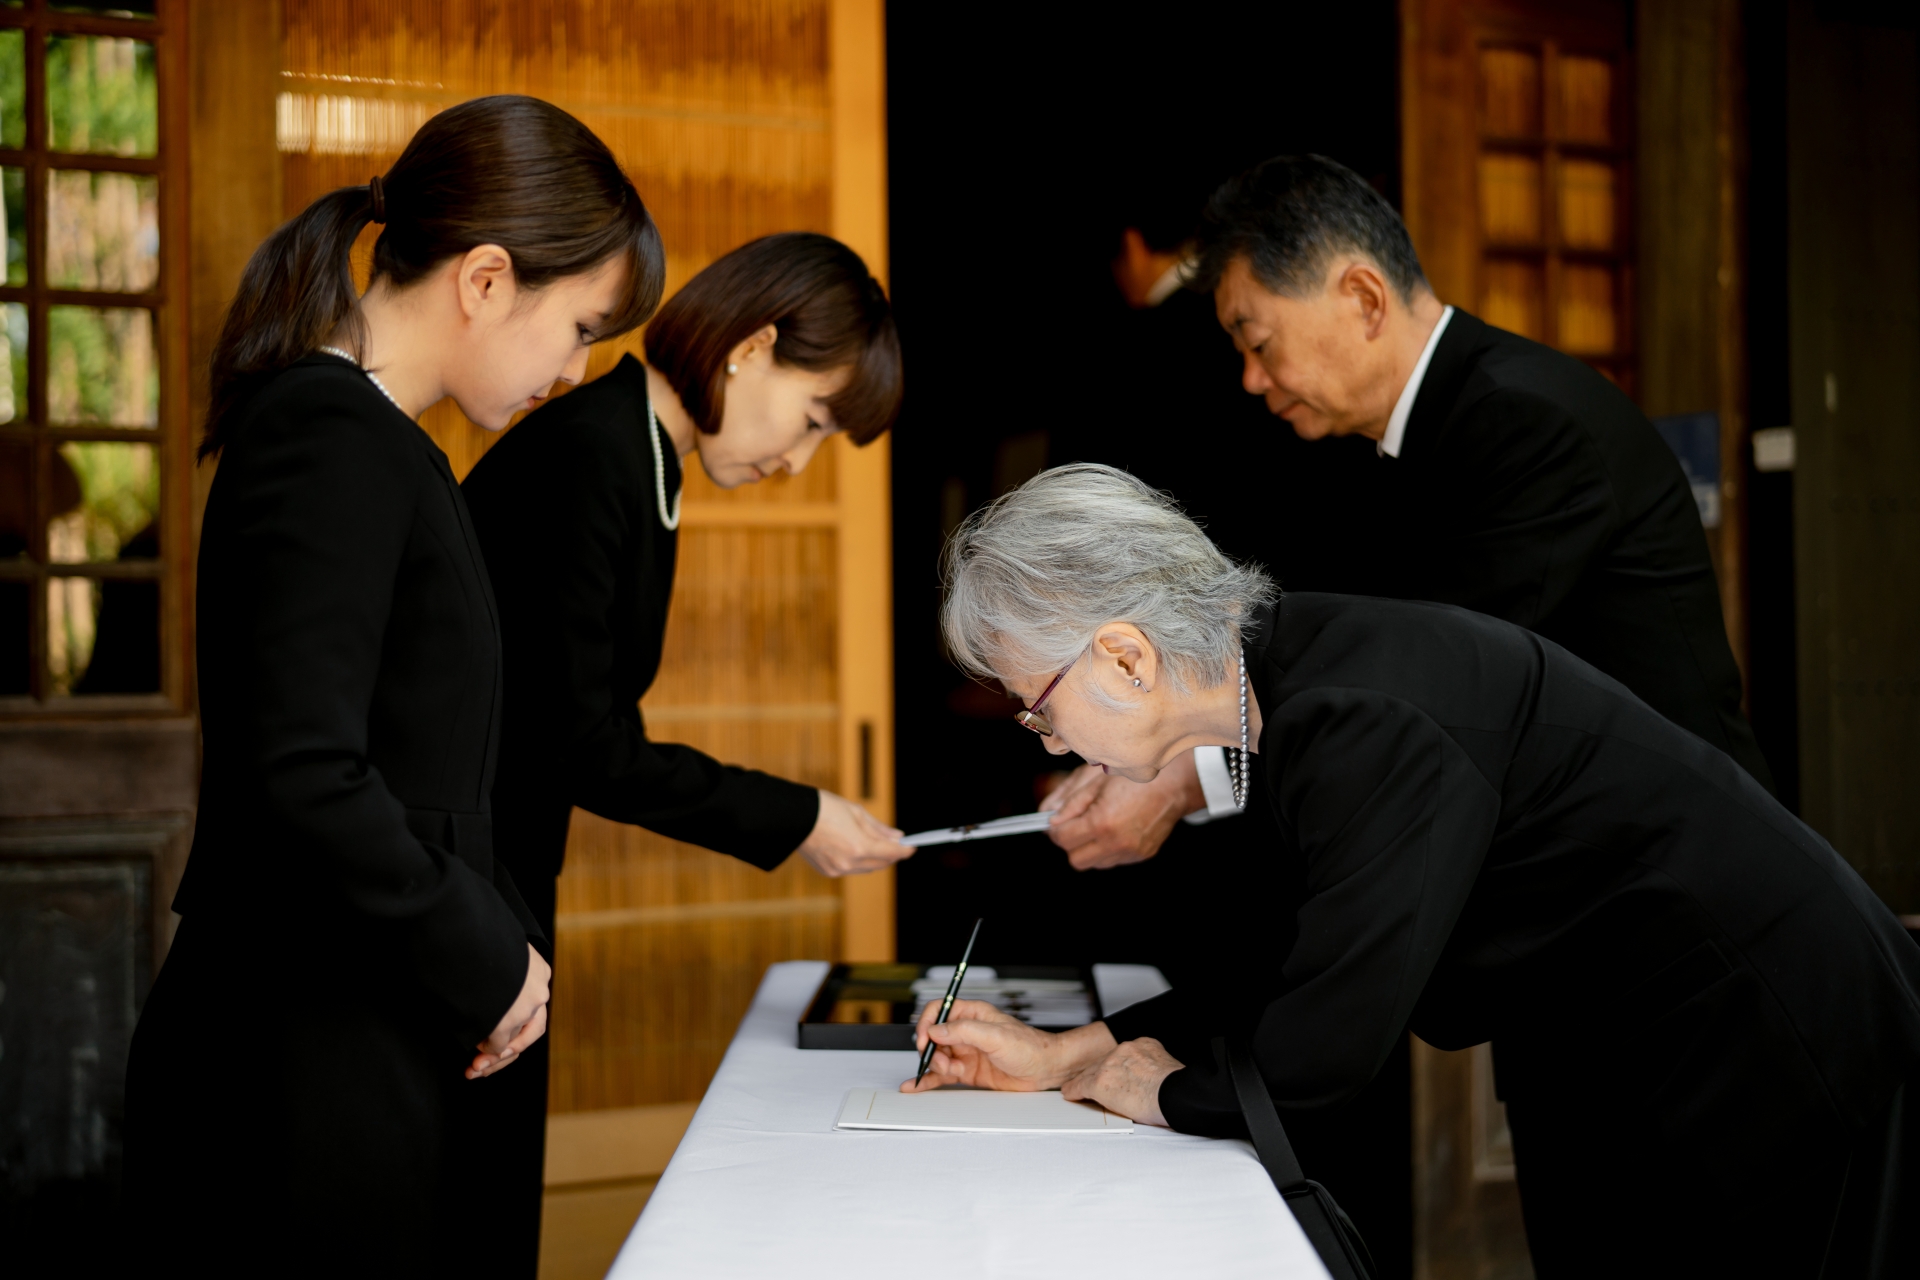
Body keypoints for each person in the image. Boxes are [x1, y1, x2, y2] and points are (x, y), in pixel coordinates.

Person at [918, 463, 1920, 1276]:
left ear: (1127, 658)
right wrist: (1071, 1054)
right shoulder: (1284, 688)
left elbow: (1321, 1049)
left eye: (1038, 707)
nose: (1048, 739)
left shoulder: (1353, 711)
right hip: (1649, 1033)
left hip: (1770, 1025)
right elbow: (1291, 959)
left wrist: (1162, 1091)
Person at [123, 95, 664, 1276]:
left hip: (360, 1026)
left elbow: (429, 770)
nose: (576, 371)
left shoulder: (381, 441)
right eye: (578, 327)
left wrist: (509, 950)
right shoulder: (327, 432)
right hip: (296, 1051)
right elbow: (302, 772)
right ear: (483, 279)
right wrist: (488, 952)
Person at [1043, 155, 1775, 878]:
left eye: (1259, 342)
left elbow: (1424, 681)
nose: (1251, 378)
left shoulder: (1523, 423)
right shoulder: (1395, 438)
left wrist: (1180, 775)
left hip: (1686, 858)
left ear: (1364, 298)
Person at [460, 230, 911, 1267]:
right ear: (751, 347)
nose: (797, 462)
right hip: (464, 878)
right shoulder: (595, 451)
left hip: (506, 866)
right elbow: (586, 742)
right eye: (811, 418)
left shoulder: (641, 454)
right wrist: (799, 814)